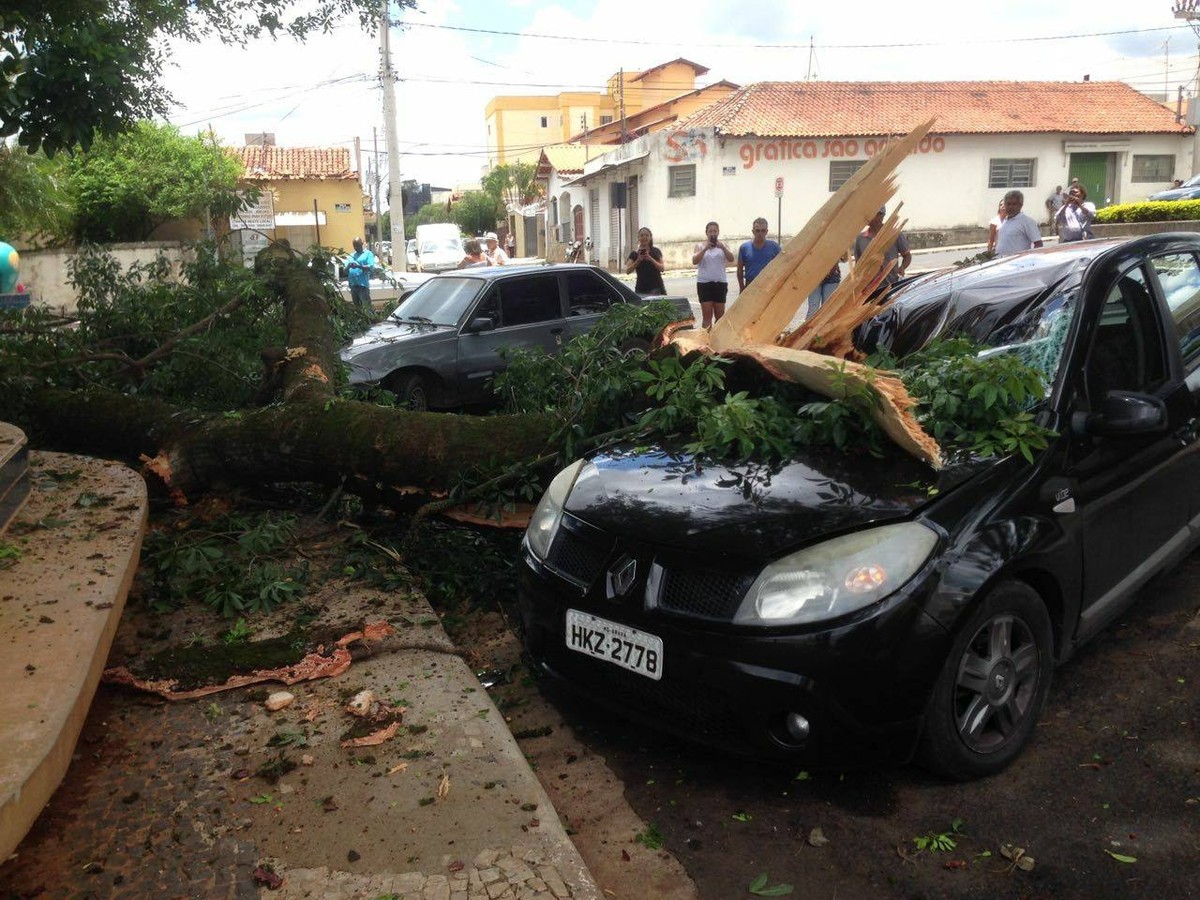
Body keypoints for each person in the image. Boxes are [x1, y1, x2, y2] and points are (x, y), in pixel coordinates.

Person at [853, 205, 911, 292]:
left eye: (872, 214)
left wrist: (902, 267)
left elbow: (907, 255)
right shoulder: (861, 238)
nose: (868, 217)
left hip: (891, 285)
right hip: (868, 290)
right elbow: (858, 265)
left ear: (881, 216)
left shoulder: (894, 234)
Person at [692, 221, 734, 327]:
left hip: (720, 283)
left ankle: (719, 341)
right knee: (707, 318)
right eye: (710, 231)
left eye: (715, 231)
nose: (712, 233)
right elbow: (694, 261)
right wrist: (706, 248)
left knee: (720, 317)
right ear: (706, 233)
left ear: (718, 232)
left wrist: (723, 248)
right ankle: (706, 340)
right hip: (704, 284)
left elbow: (731, 259)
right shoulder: (700, 246)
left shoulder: (723, 245)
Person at [736, 217, 781, 291]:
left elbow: (782, 267)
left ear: (766, 231)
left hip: (769, 286)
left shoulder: (774, 247)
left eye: (763, 231)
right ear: (753, 231)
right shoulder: (744, 248)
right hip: (750, 285)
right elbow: (739, 270)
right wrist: (741, 287)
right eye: (757, 231)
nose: (760, 233)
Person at [994, 190, 1044, 256]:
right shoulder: (1005, 221)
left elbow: (1039, 245)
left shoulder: (1027, 221)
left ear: (1020, 205)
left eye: (1014, 204)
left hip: (1018, 264)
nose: (1010, 207)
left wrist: (1030, 261)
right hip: (1001, 263)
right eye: (1008, 204)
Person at [625, 227, 666, 296]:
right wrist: (638, 260)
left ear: (650, 237)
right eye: (642, 235)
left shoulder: (656, 251)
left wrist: (650, 259)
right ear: (638, 238)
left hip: (656, 288)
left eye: (647, 235)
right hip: (640, 288)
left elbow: (662, 268)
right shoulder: (634, 254)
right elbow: (628, 271)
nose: (644, 237)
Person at [346, 237, 375, 312]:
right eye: (355, 246)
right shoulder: (351, 255)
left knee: (367, 309)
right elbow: (345, 270)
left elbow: (370, 267)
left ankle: (370, 322)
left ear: (362, 244)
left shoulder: (368, 254)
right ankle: (361, 323)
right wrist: (348, 266)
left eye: (358, 245)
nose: (356, 247)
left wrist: (358, 266)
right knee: (357, 309)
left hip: (363, 286)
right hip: (353, 285)